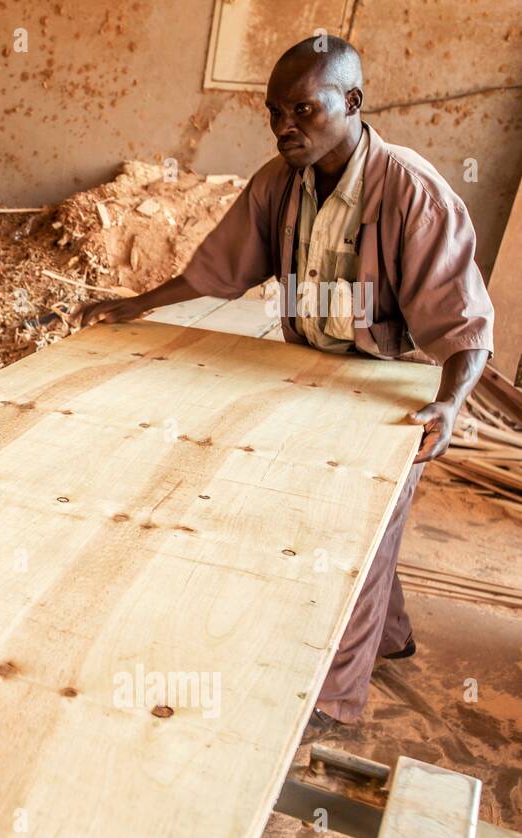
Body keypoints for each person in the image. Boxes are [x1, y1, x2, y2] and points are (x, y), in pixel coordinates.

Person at [72, 35, 494, 737]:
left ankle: (329, 702)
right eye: (274, 112)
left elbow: (464, 320)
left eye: (304, 109)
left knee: (354, 536)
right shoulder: (280, 181)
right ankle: (391, 638)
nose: (285, 127)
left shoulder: (412, 191)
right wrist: (137, 303)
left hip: (386, 385)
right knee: (338, 524)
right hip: (309, 367)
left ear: (352, 103)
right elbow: (224, 266)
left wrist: (449, 404)